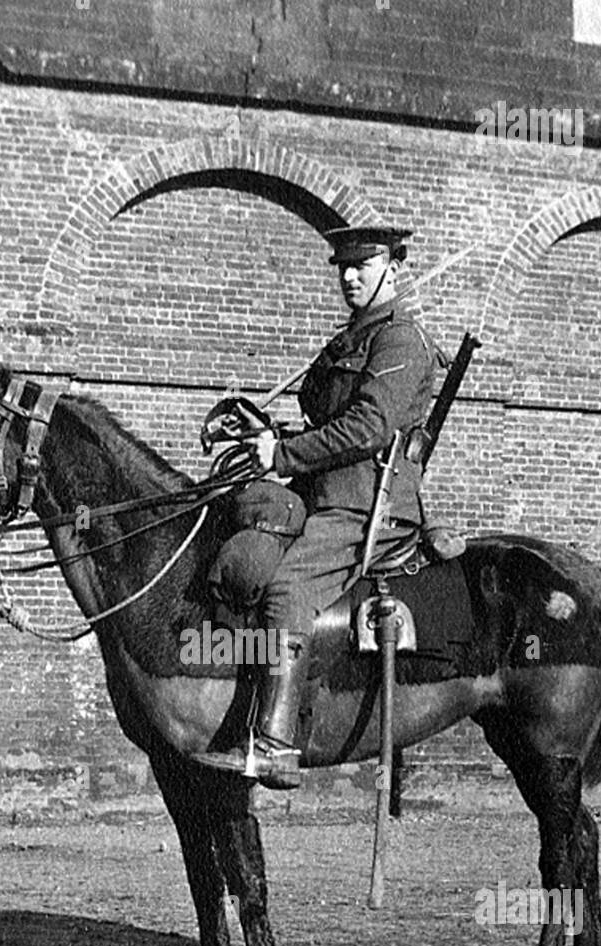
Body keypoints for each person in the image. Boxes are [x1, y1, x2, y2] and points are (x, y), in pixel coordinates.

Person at [194, 224, 459, 790]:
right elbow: (327, 420)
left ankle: (277, 743)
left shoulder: (401, 342)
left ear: (394, 267)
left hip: (367, 506)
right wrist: (263, 431)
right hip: (320, 494)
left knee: (288, 587)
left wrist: (284, 454)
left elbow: (366, 427)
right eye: (342, 266)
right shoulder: (349, 341)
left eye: (363, 265)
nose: (349, 276)